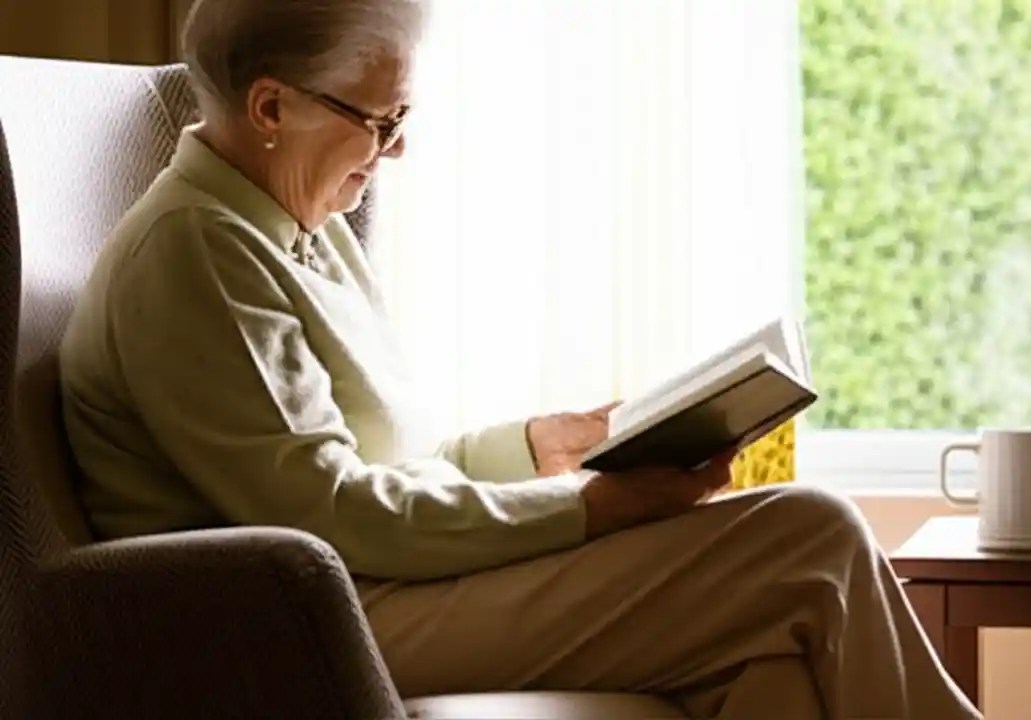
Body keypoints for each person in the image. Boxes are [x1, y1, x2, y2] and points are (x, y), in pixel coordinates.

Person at [58, 1, 981, 718]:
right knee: (808, 538)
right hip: (306, 619)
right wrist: (588, 506)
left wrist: (541, 447)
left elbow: (378, 470)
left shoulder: (295, 224)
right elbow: (335, 512)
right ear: (270, 106)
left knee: (770, 673)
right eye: (381, 119)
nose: (396, 147)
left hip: (375, 578)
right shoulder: (195, 253)